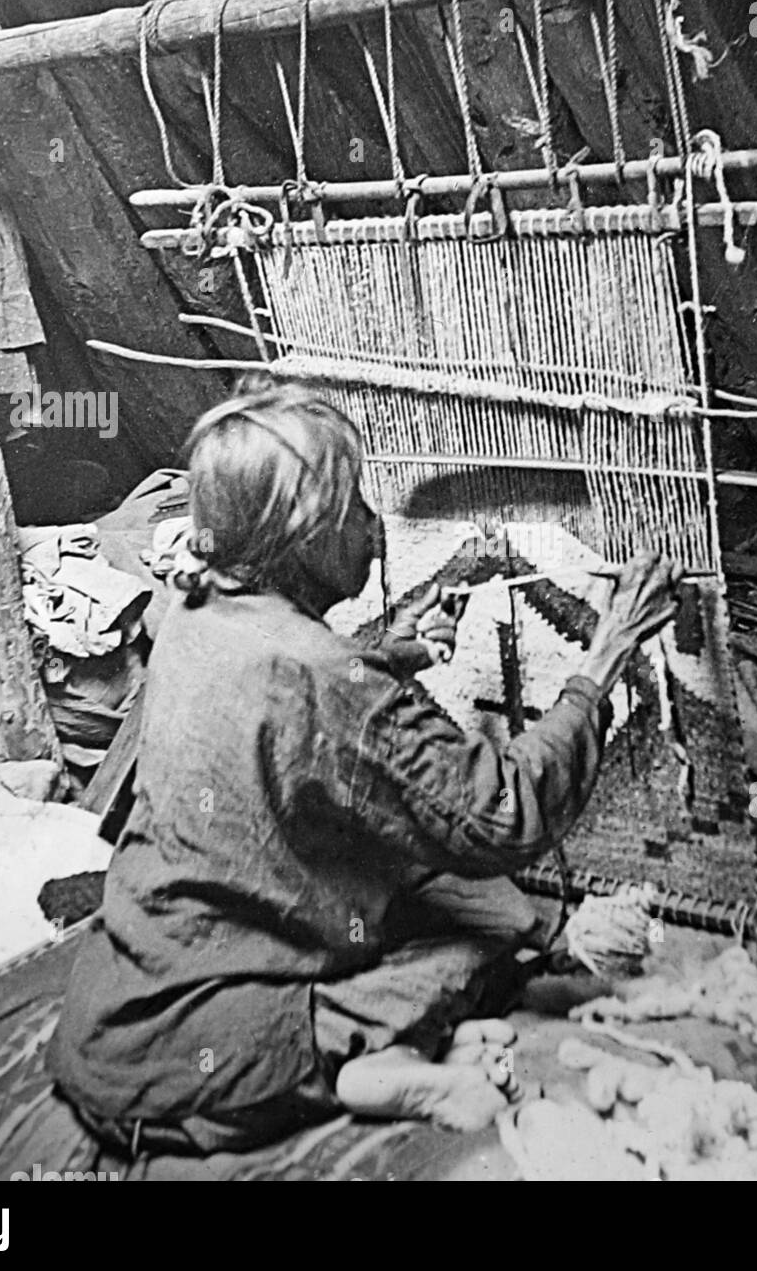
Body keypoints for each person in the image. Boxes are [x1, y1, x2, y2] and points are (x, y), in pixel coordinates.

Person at [48, 386, 681, 1156]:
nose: (376, 529)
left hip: (126, 983)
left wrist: (404, 649)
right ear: (303, 534)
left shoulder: (197, 607)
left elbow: (289, 690)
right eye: (352, 507)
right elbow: (507, 812)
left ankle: (348, 1056)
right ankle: (356, 1064)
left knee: (459, 902)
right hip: (201, 1036)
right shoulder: (328, 682)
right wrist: (608, 652)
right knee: (475, 949)